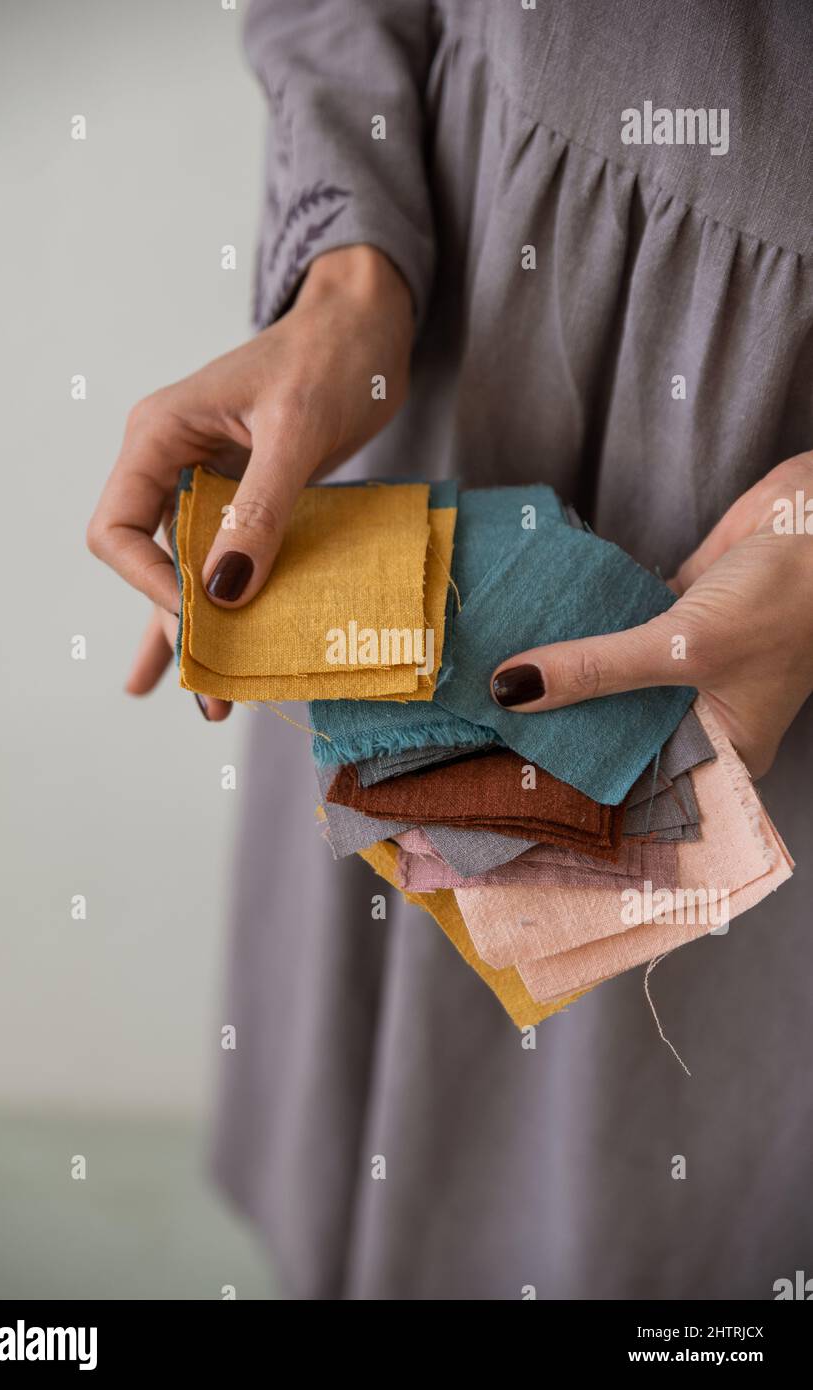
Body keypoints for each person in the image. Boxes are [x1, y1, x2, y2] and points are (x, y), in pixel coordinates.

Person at [87, 1, 813, 1299]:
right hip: (440, 331)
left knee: (645, 1209)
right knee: (388, 920)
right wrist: (349, 270)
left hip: (775, 538)